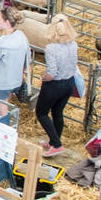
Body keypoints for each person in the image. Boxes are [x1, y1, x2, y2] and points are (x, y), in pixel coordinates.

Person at [34, 14, 79, 156]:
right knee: (57, 113)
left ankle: (57, 145)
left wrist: (43, 77)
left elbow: (52, 72)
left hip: (54, 85)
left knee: (41, 113)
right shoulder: (73, 44)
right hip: (69, 83)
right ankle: (54, 141)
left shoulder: (51, 48)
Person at [0, 6, 31, 118]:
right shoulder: (21, 36)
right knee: (6, 102)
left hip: (2, 82)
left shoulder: (0, 44)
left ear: (7, 22)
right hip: (16, 80)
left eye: (0, 19)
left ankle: (6, 131)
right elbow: (27, 59)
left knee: (1, 114)